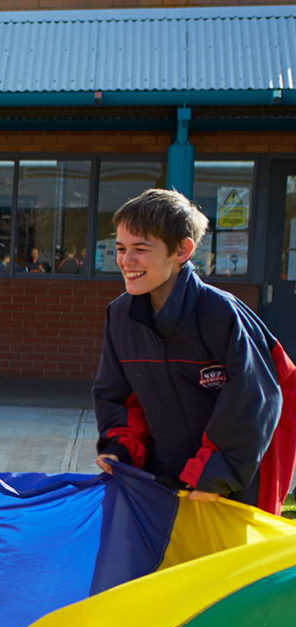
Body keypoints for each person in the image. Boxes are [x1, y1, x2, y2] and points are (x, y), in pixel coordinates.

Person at [94, 188, 295, 512]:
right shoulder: (120, 317)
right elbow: (118, 397)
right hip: (161, 483)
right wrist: (120, 448)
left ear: (182, 250)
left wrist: (216, 471)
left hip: (230, 488)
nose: (126, 261)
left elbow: (253, 400)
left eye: (140, 249)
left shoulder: (222, 314)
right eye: (120, 249)